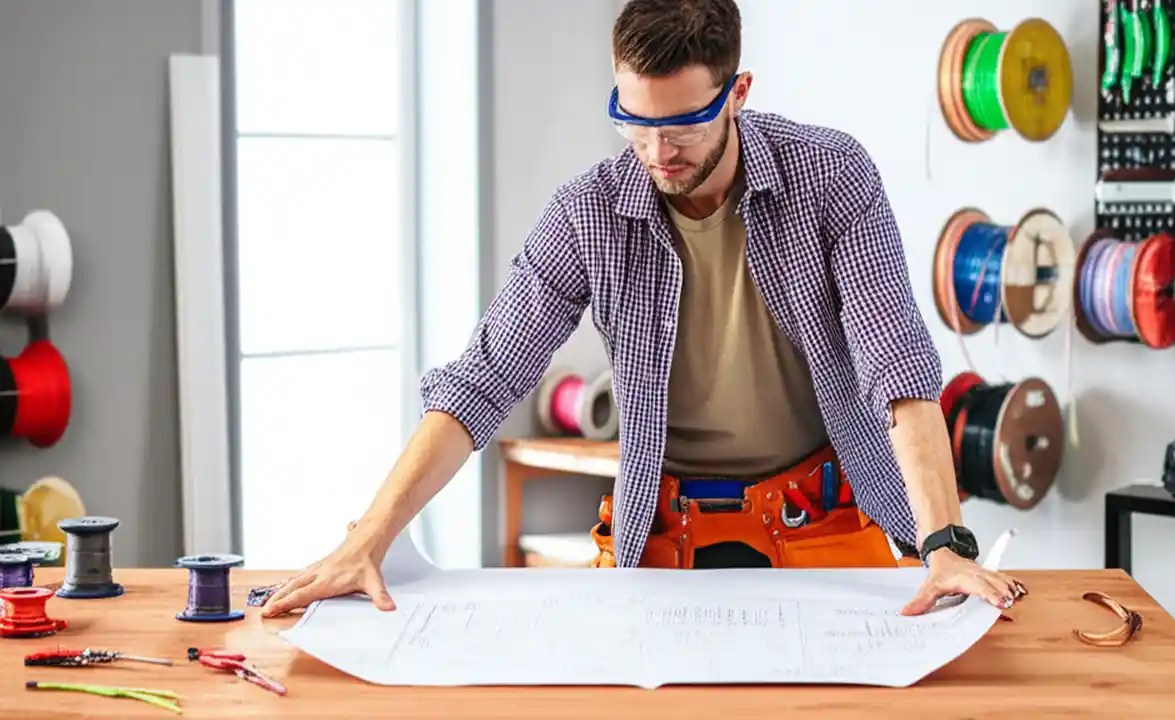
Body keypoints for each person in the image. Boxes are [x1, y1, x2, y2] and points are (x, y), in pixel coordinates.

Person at [261, 0, 1026, 619]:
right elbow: (481, 383)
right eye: (634, 119)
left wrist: (946, 543)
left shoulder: (830, 174)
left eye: (682, 123)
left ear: (739, 92)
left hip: (823, 518)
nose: (657, 150)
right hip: (662, 535)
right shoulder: (588, 213)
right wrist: (367, 539)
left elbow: (895, 369)